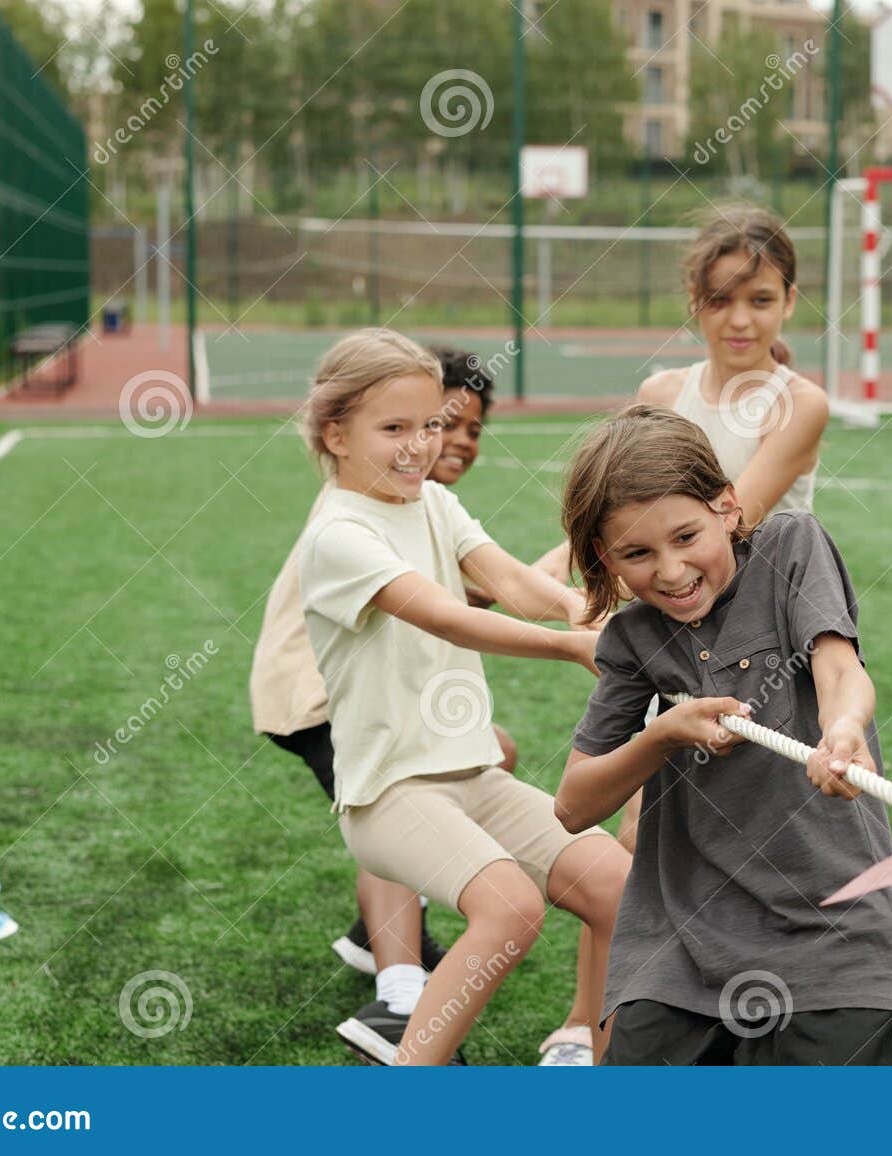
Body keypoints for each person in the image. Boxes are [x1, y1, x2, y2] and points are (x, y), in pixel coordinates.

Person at [250, 345, 601, 1065]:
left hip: (471, 773)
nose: (420, 448)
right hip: (392, 789)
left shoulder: (434, 500)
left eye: (431, 425)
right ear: (335, 435)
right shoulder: (340, 535)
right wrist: (572, 648)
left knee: (624, 890)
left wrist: (575, 607)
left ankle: (587, 1043)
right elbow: (447, 615)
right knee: (511, 910)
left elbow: (507, 580)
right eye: (394, 429)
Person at [555, 405, 892, 1065]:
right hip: (680, 942)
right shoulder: (633, 642)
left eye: (686, 536)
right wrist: (662, 737)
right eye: (637, 553)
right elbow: (574, 805)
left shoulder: (791, 549)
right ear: (605, 556)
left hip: (834, 932)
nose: (669, 571)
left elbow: (837, 665)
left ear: (726, 506)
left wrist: (844, 726)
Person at [536, 203, 829, 852]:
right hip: (674, 622)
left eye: (761, 298)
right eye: (721, 299)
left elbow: (732, 522)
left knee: (731, 830)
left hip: (761, 633)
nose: (741, 318)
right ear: (694, 300)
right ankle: (625, 944)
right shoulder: (663, 390)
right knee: (642, 834)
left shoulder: (800, 404)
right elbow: (625, 500)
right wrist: (562, 560)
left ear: (789, 301)